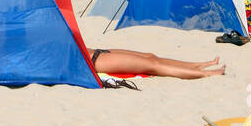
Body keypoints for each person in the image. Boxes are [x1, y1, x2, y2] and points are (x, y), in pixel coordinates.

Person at [88, 48, 225, 79]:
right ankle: (206, 73)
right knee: (152, 66)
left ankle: (197, 65)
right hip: (97, 61)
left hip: (98, 51)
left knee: (151, 57)